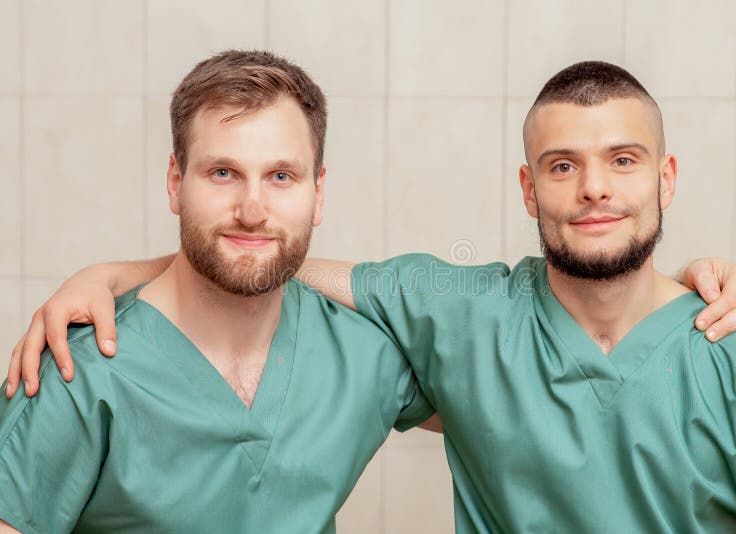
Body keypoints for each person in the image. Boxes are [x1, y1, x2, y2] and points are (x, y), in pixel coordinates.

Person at [7, 61, 736, 532]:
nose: (594, 189)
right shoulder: (462, 314)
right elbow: (261, 253)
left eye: (623, 160)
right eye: (562, 166)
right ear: (528, 188)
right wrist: (116, 275)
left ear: (666, 177)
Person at [0, 50, 434, 532]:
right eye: (223, 173)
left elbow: (509, 412)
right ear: (175, 181)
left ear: (319, 193)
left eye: (281, 176)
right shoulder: (74, 371)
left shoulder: (362, 351)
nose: (252, 209)